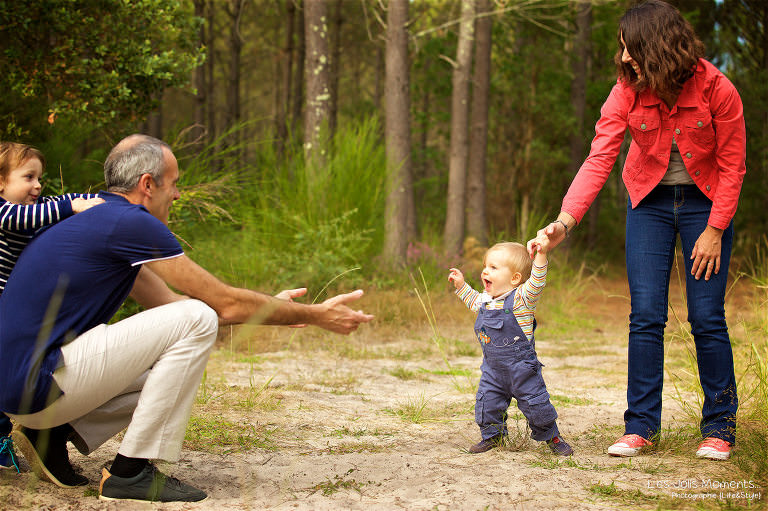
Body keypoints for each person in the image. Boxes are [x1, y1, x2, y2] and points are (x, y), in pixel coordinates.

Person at [0, 134, 373, 502]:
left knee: (186, 328)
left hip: (25, 390)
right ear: (148, 184)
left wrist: (268, 307)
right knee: (196, 316)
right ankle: (130, 473)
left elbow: (170, 307)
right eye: (174, 184)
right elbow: (213, 307)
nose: (177, 194)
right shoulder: (129, 222)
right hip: (36, 384)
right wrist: (318, 315)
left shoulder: (98, 221)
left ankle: (50, 434)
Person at [529, 0, 745, 461]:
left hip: (706, 207)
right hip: (648, 205)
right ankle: (641, 426)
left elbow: (732, 166)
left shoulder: (717, 89)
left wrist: (715, 229)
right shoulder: (626, 93)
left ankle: (721, 427)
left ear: (659, 47)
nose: (625, 58)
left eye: (632, 49)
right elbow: (600, 157)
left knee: (706, 317)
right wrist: (565, 220)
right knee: (646, 315)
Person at [0, 142, 103, 472]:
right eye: (28, 176)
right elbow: (32, 216)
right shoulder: (5, 212)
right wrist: (72, 205)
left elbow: (48, 207)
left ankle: (4, 442)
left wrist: (80, 204)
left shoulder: (35, 209)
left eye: (40, 177)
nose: (38, 185)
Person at [448, 237, 573, 456]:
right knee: (487, 404)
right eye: (485, 266)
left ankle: (553, 437)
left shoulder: (521, 300)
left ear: (515, 278)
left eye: (493, 267)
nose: (485, 271)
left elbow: (537, 281)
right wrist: (461, 285)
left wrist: (541, 255)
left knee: (537, 406)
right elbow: (471, 299)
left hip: (522, 371)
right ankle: (492, 436)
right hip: (493, 371)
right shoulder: (485, 299)